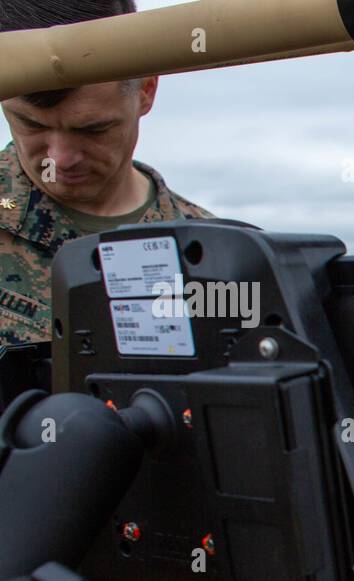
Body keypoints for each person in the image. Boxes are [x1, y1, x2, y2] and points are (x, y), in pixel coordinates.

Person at [1, 0, 213, 346]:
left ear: (146, 90)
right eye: (30, 125)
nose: (61, 159)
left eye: (93, 129)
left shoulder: (214, 254)